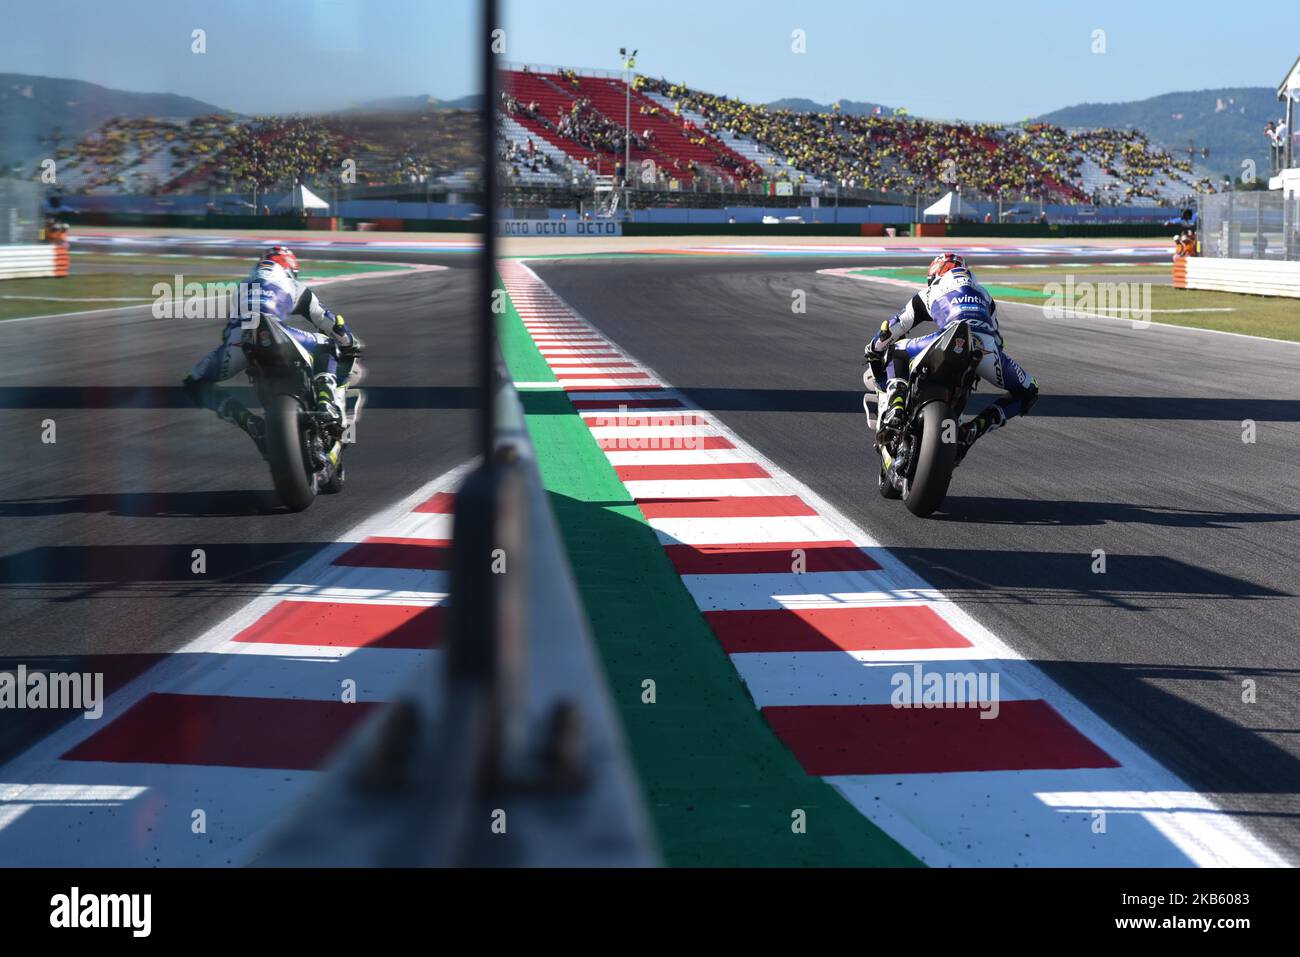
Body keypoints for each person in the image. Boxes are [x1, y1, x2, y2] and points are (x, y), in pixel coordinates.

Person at [864, 252, 1038, 464]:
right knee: (1029, 390)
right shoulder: (985, 295)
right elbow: (999, 341)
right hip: (984, 348)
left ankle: (896, 407)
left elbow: (895, 327)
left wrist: (873, 347)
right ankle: (974, 429)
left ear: (936, 273)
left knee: (897, 350)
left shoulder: (932, 291)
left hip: (947, 337)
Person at [181, 246, 357, 453]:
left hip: (239, 342)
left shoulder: (242, 287)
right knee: (326, 345)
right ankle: (326, 401)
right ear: (290, 268)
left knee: (193, 381)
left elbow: (228, 331)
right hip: (277, 332)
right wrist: (348, 340)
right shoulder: (293, 284)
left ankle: (248, 422)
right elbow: (325, 319)